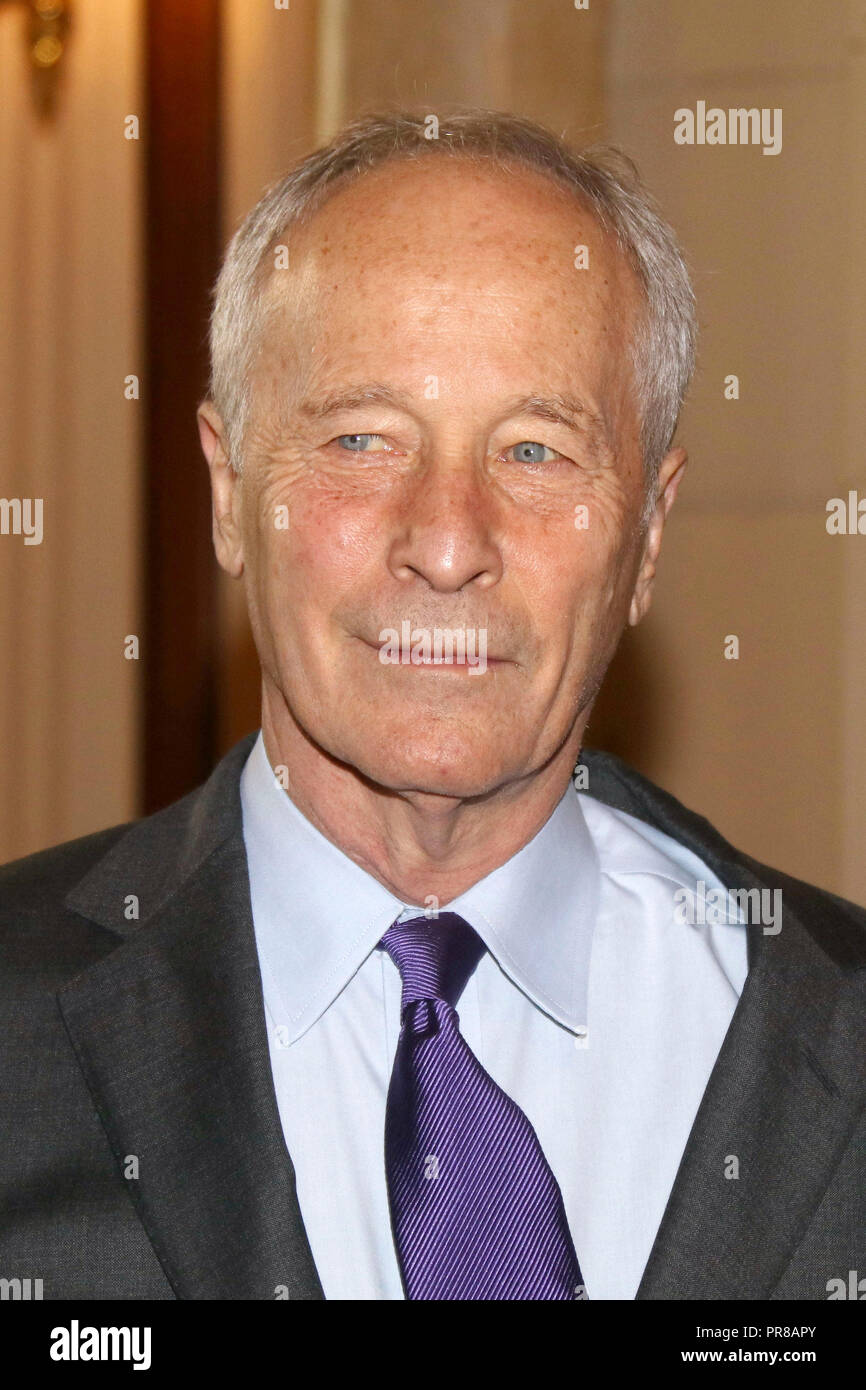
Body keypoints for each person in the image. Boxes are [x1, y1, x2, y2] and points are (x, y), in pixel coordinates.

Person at [1, 109, 863, 1302]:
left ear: (649, 531)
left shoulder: (834, 1031)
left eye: (533, 451)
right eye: (362, 438)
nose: (448, 543)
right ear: (227, 492)